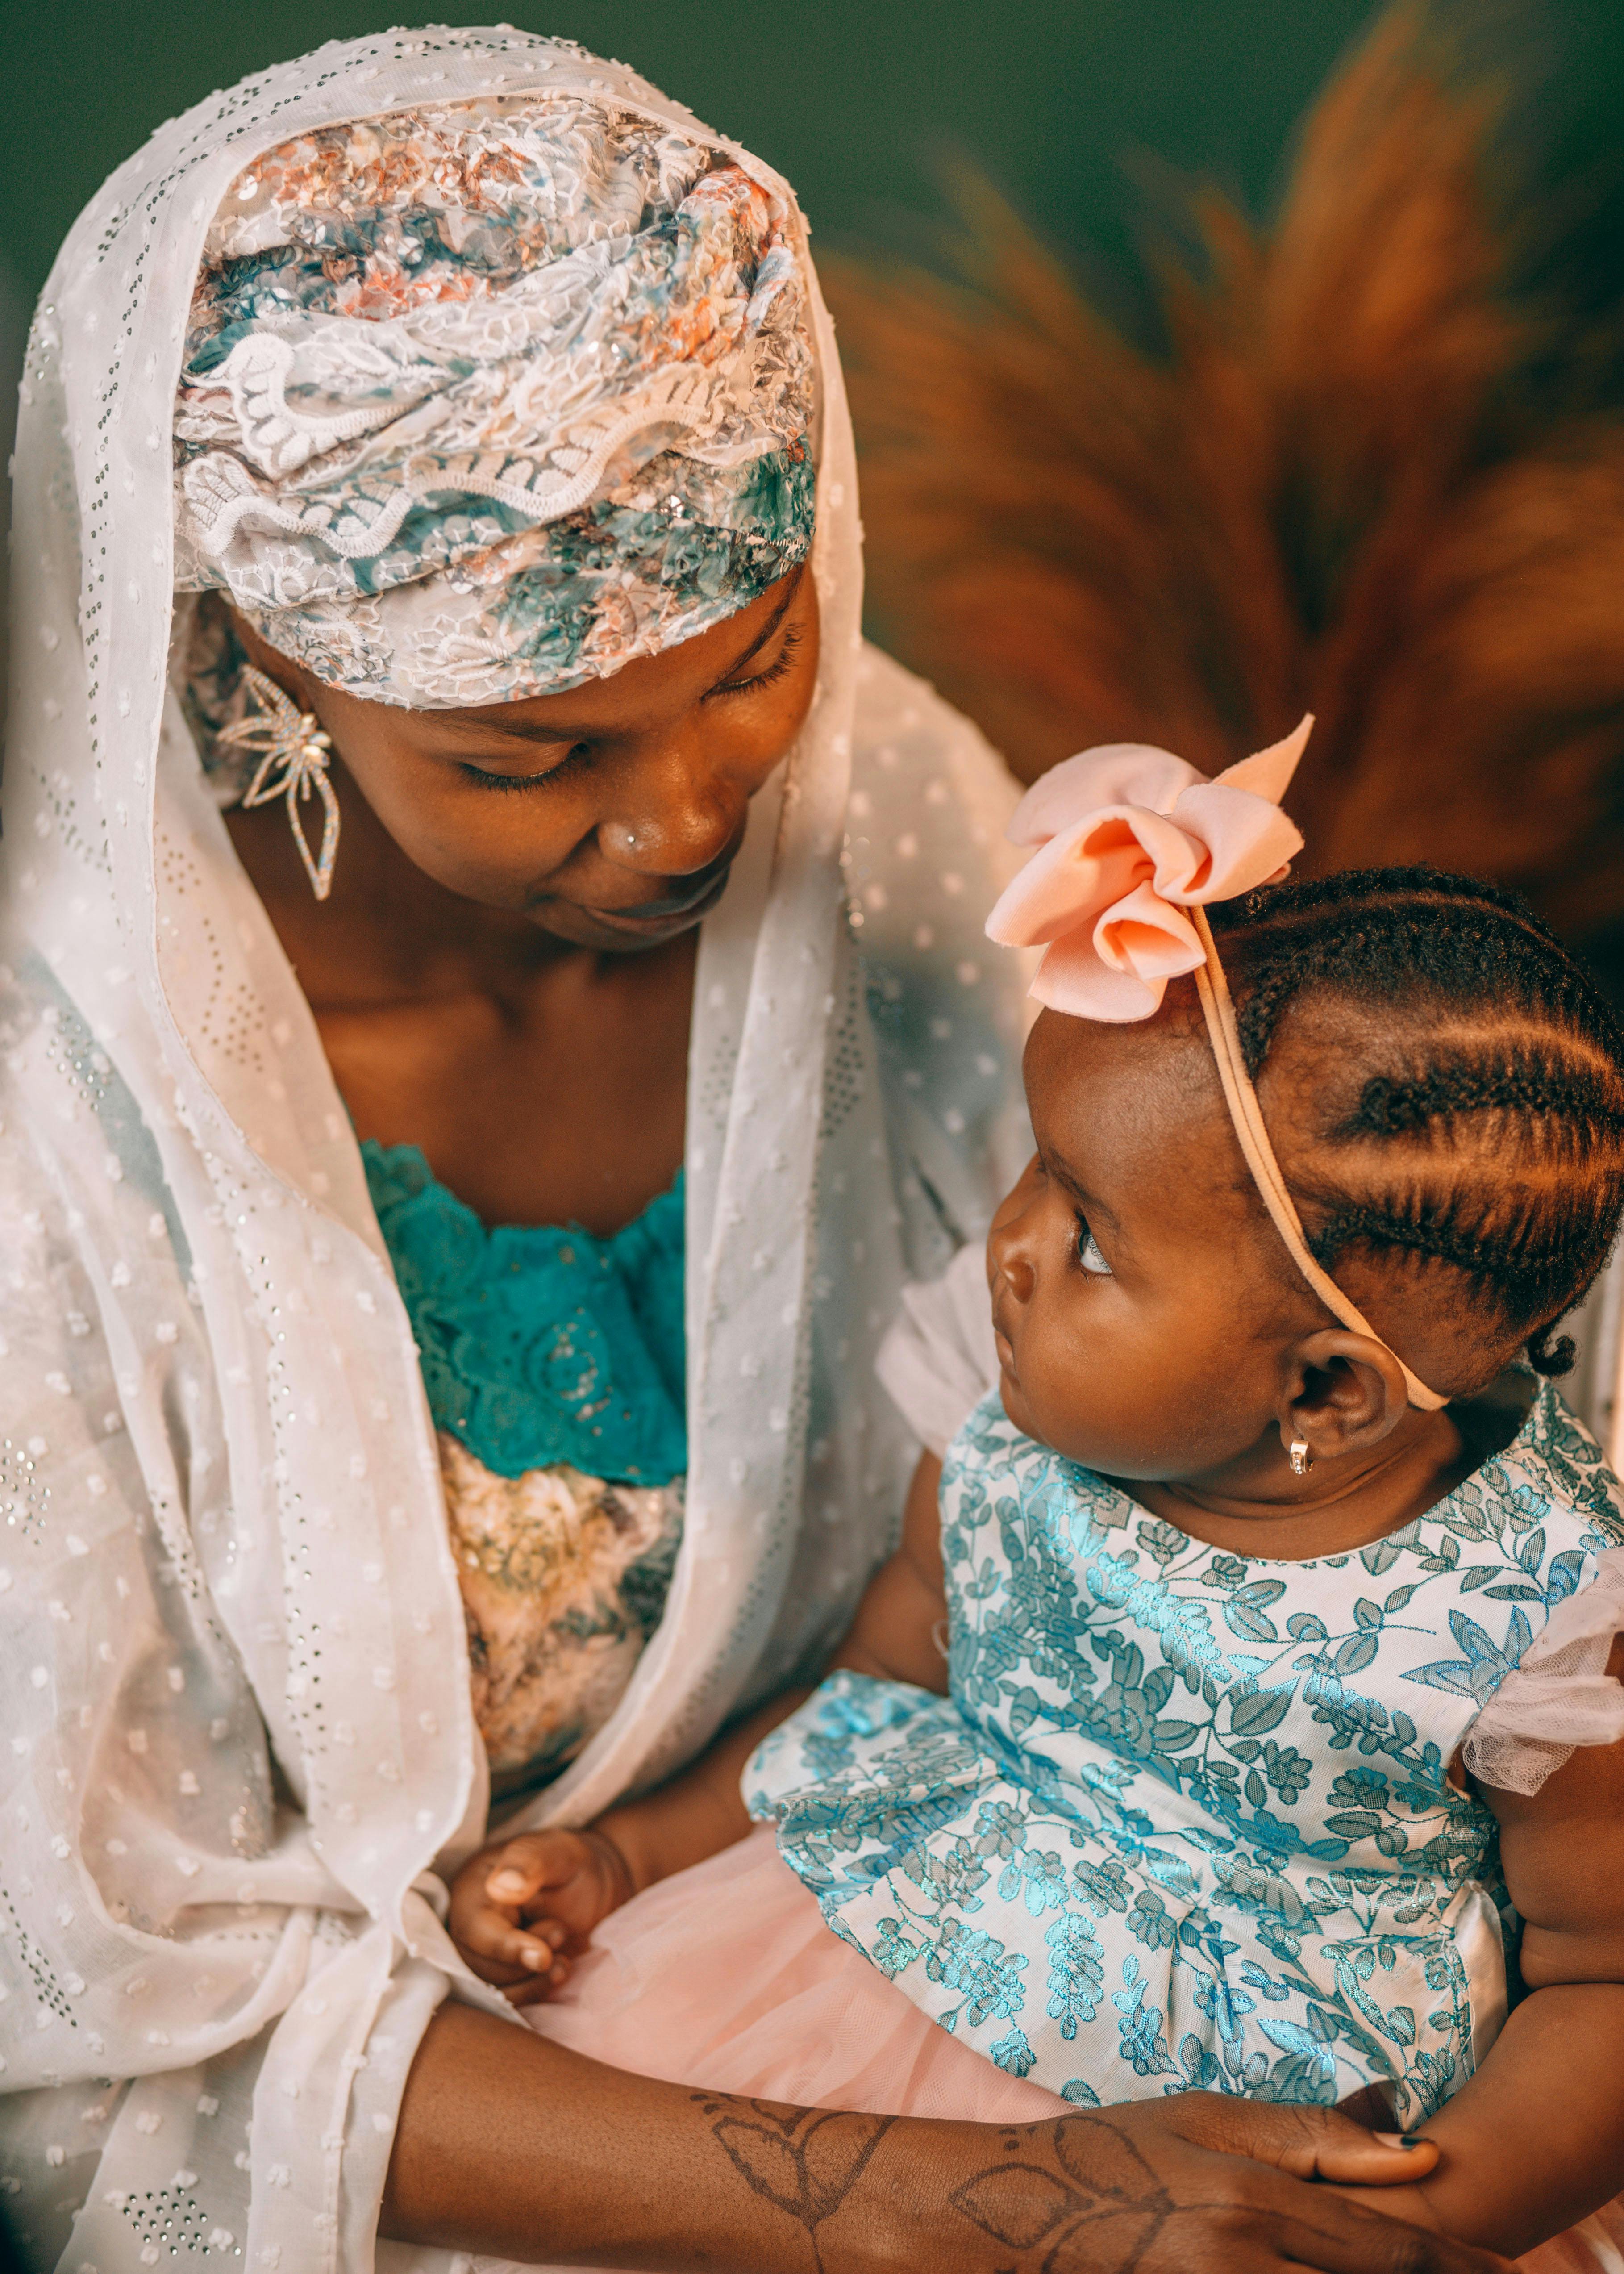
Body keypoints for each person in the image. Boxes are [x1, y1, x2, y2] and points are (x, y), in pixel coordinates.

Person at [0, 27, 1512, 2274]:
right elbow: (104, 2038)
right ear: (261, 659)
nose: (697, 816)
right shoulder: (58, 1123)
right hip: (467, 2145)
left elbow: (1266, 1355)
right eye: (535, 751)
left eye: (757, 655)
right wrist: (987, 2206)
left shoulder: (875, 806)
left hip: (990, 1950)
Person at [449, 739, 1624, 2263]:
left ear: (1324, 1392)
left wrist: (1436, 2225)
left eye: (1091, 1239)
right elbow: (876, 1683)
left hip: (1277, 2134)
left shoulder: (1537, 1622)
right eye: (1039, 1170)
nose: (1008, 1243)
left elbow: (1602, 1980)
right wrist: (633, 1855)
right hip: (861, 1976)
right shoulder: (1007, 1419)